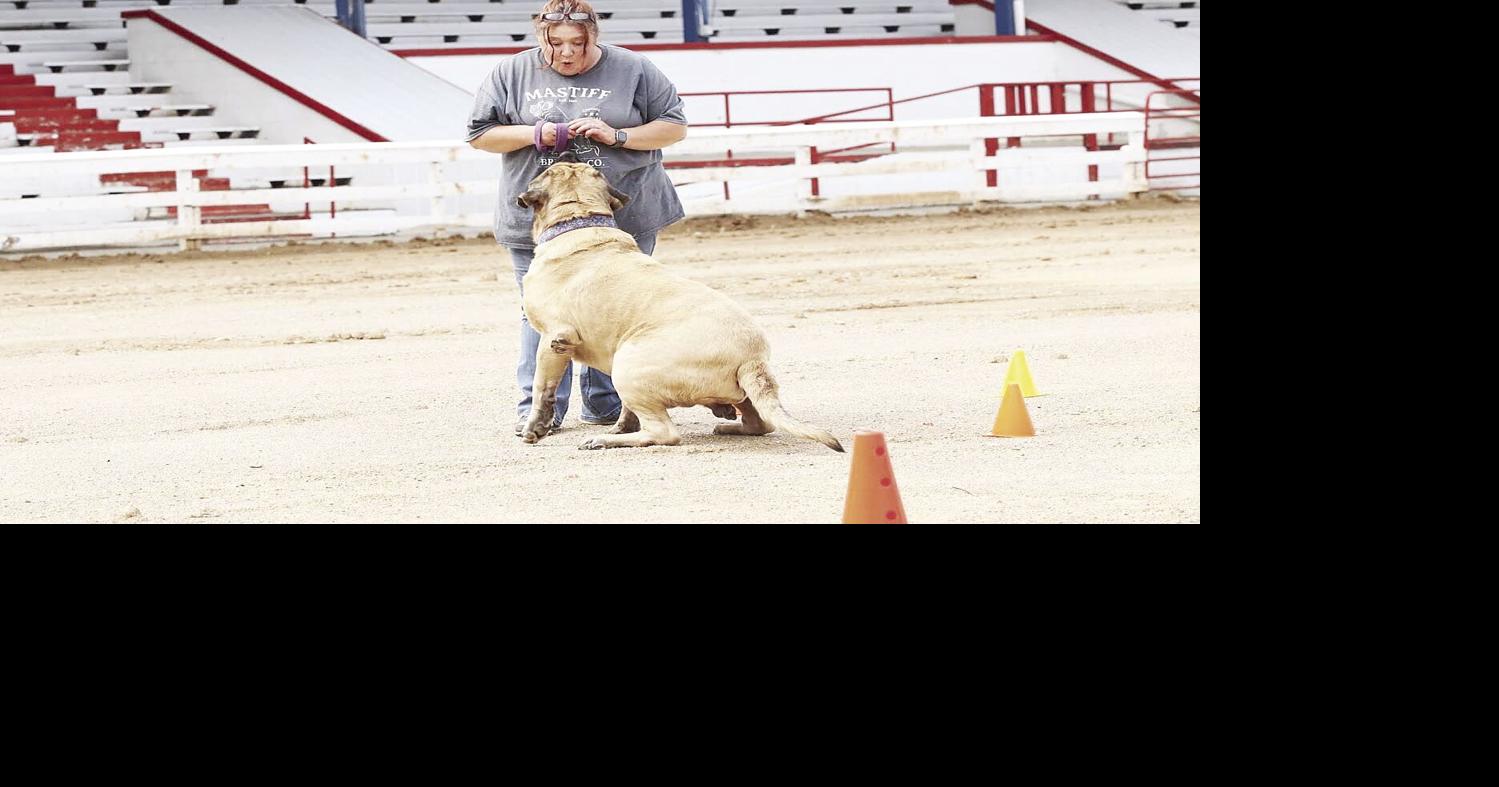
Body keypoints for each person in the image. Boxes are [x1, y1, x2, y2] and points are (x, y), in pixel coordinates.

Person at [466, 0, 689, 436]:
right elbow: (480, 135)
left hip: (624, 211)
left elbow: (675, 126)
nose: (567, 53)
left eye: (578, 44)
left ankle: (608, 403)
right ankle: (538, 409)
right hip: (541, 218)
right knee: (539, 311)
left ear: (594, 37)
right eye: (555, 44)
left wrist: (618, 135)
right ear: (540, 38)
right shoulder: (510, 73)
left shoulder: (635, 69)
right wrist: (533, 134)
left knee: (618, 307)